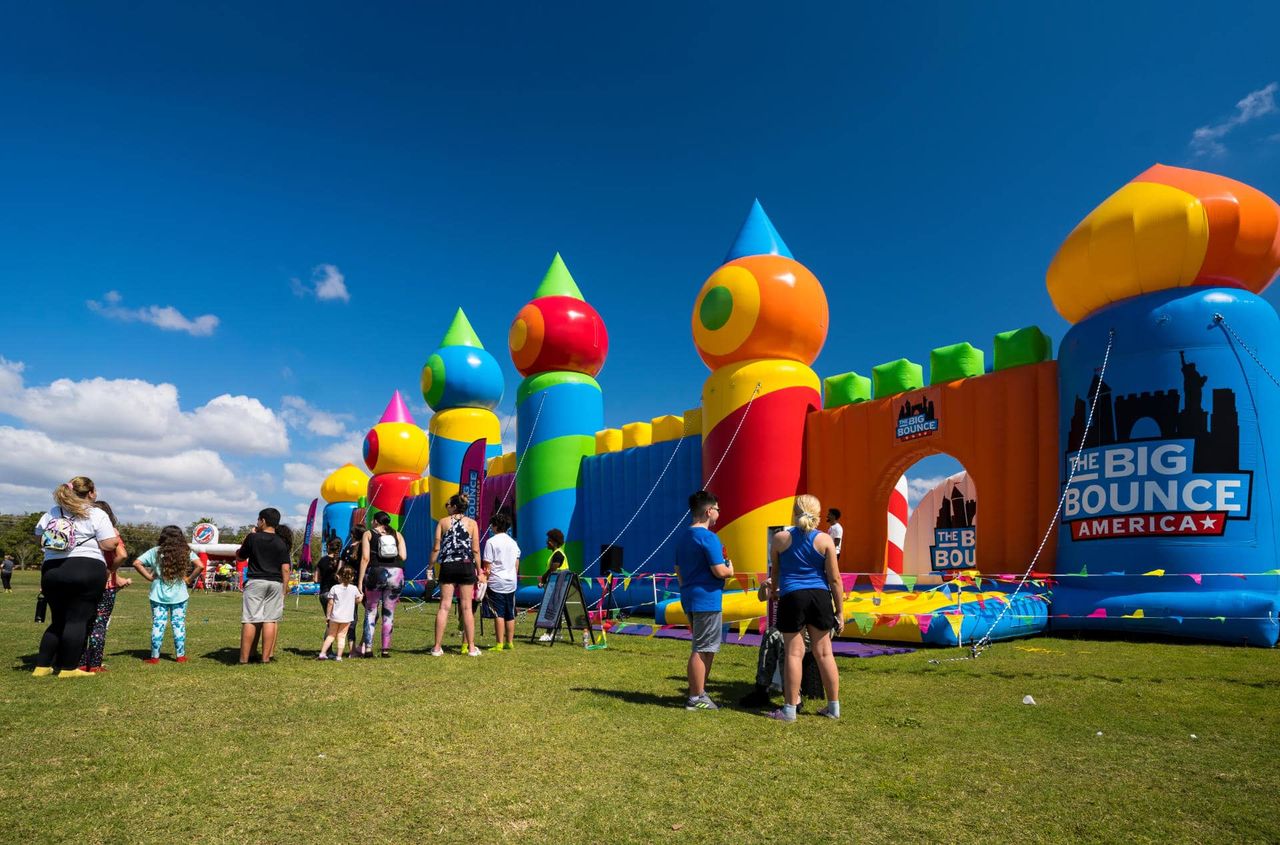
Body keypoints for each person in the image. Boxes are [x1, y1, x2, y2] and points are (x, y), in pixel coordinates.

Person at [31, 477, 121, 677]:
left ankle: (42, 666)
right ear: (90, 493)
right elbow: (108, 545)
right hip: (86, 568)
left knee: (58, 620)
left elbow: (39, 539)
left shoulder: (54, 512)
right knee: (77, 620)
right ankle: (69, 668)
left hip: (52, 569)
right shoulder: (96, 513)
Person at [767, 494, 844, 722]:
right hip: (820, 597)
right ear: (818, 515)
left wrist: (774, 592)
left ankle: (789, 710)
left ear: (794, 512)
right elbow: (835, 579)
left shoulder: (780, 539)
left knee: (793, 653)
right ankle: (833, 708)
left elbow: (775, 573)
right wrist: (840, 611)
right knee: (825, 653)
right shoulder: (825, 540)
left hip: (792, 597)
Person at [674, 490, 734, 711]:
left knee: (706, 647)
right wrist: (730, 570)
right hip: (706, 599)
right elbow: (719, 570)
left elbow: (678, 569)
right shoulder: (709, 537)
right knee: (702, 648)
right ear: (709, 511)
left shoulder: (684, 537)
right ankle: (696, 696)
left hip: (690, 596)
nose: (719, 512)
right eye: (717, 509)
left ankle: (699, 691)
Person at [133, 525, 204, 663]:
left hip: (158, 593)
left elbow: (137, 563)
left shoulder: (155, 551)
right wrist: (189, 579)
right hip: (180, 593)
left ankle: (154, 657)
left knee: (158, 624)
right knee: (178, 624)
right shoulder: (185, 552)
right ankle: (180, 656)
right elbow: (200, 565)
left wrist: (149, 577)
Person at [79, 501, 131, 673]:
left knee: (80, 623)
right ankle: (94, 664)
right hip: (105, 586)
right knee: (99, 625)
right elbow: (122, 554)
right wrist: (110, 571)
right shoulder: (112, 533)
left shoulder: (81, 530)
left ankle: (78, 662)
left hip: (82, 582)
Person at [237, 508, 291, 664]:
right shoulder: (281, 542)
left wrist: (249, 537)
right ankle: (266, 658)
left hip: (256, 581)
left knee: (250, 619)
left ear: (263, 520)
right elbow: (285, 567)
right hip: (275, 583)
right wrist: (284, 588)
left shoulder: (253, 538)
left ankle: (244, 658)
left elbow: (240, 557)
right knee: (270, 619)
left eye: (258, 520)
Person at [430, 493, 481, 657]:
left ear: (453, 506)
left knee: (444, 606)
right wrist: (479, 570)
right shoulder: (472, 523)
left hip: (448, 565)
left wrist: (430, 565)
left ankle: (437, 647)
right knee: (467, 606)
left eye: (447, 504)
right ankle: (471, 648)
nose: (446, 507)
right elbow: (475, 550)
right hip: (466, 565)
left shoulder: (443, 522)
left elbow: (436, 548)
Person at [356, 513, 407, 658]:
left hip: (375, 572)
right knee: (388, 614)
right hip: (396, 574)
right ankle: (385, 650)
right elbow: (403, 556)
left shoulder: (368, 534)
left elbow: (365, 558)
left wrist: (360, 581)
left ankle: (368, 649)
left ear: (376, 521)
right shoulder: (397, 535)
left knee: (371, 611)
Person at [480, 511, 520, 651]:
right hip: (511, 581)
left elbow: (487, 565)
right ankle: (510, 642)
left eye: (492, 525)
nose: (491, 527)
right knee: (510, 613)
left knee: (499, 613)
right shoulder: (513, 543)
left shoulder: (491, 542)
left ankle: (499, 644)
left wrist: (484, 579)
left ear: (496, 526)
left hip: (497, 582)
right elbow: (516, 563)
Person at [318, 566, 360, 660]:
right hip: (347, 618)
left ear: (338, 576)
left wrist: (328, 615)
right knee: (342, 636)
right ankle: (339, 656)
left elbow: (330, 603)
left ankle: (322, 653)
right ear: (352, 577)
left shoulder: (334, 588)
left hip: (335, 616)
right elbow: (357, 601)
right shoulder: (354, 589)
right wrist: (361, 596)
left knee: (331, 635)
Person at [315, 537, 343, 615]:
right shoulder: (341, 562)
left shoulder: (322, 560)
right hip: (337, 594)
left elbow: (316, 579)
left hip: (324, 593)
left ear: (328, 547)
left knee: (329, 620)